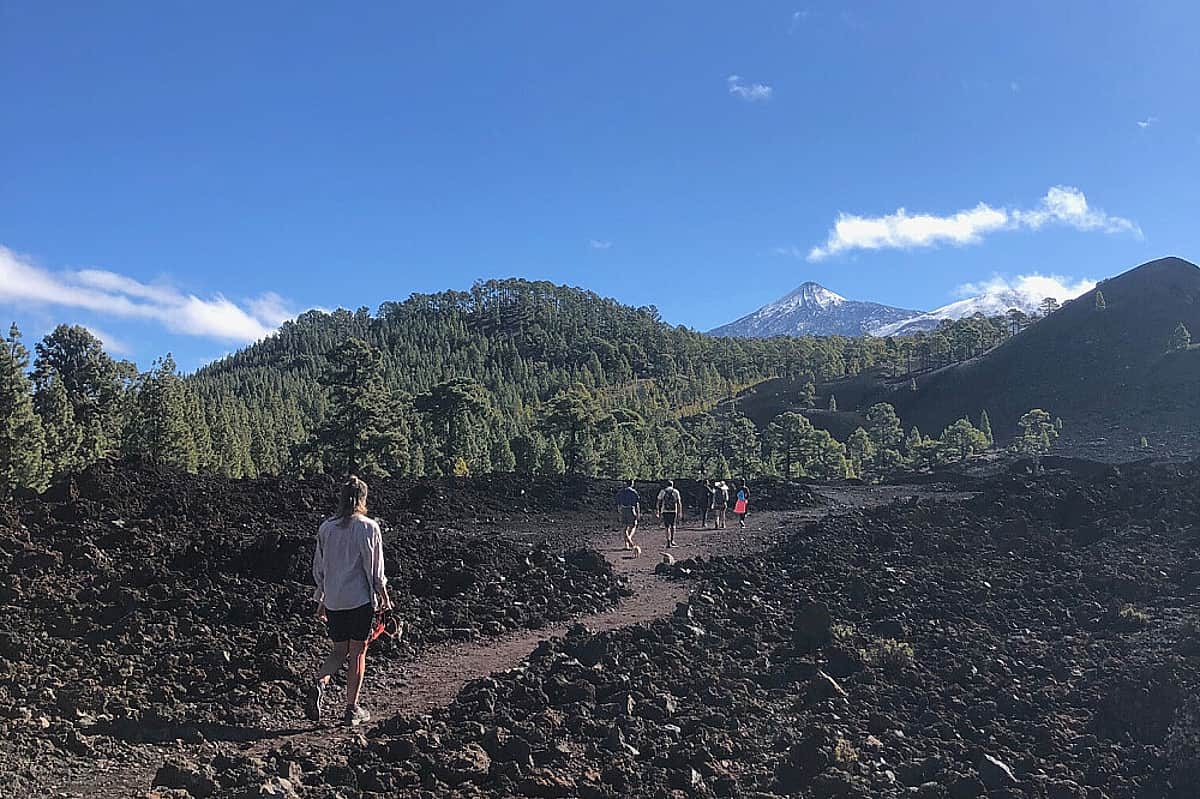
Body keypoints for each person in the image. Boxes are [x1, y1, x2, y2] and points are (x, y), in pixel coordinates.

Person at [307, 475, 391, 727]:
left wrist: (321, 597)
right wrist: (384, 597)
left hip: (334, 600)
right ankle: (351, 708)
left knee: (338, 649)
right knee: (357, 652)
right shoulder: (368, 527)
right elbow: (375, 569)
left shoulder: (326, 528)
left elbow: (320, 567)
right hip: (359, 600)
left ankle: (320, 682)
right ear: (363, 499)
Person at [656, 479, 682, 548]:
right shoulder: (676, 491)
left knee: (667, 527)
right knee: (673, 526)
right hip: (673, 510)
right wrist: (680, 512)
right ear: (672, 485)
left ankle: (668, 541)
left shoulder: (663, 491)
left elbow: (658, 501)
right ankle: (672, 540)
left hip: (665, 511)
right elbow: (679, 502)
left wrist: (657, 510)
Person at [615, 479, 640, 550]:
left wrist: (619, 511)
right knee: (633, 525)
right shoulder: (633, 492)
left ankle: (626, 544)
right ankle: (629, 538)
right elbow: (636, 503)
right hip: (631, 509)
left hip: (623, 509)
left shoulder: (621, 492)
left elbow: (618, 503)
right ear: (632, 484)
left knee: (625, 527)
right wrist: (638, 513)